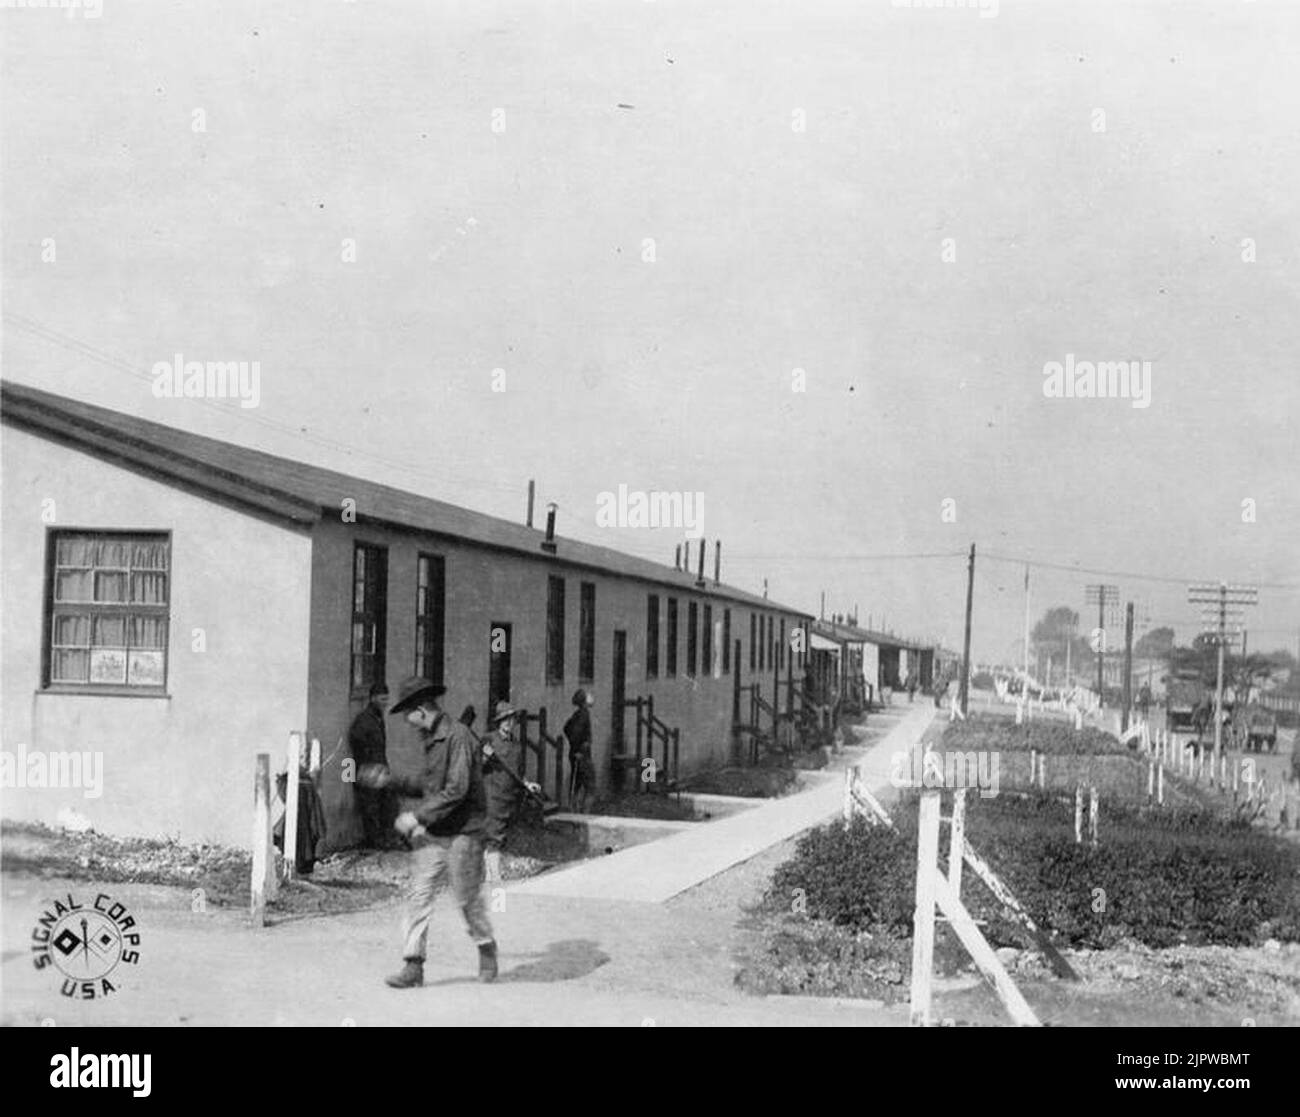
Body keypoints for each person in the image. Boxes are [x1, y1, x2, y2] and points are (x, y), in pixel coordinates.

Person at [382, 676, 496, 989]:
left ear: (420, 710)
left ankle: (486, 946)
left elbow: (456, 790)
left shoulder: (459, 737)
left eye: (408, 714)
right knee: (419, 894)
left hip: (465, 833)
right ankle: (413, 966)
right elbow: (431, 786)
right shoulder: (432, 740)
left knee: (466, 898)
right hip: (435, 833)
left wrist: (415, 817)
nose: (408, 721)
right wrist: (393, 781)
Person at [348, 682, 397, 849]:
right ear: (373, 698)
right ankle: (374, 843)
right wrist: (360, 771)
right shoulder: (363, 720)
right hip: (368, 771)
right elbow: (356, 745)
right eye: (382, 699)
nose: (385, 703)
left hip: (380, 769)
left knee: (387, 805)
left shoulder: (378, 719)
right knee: (370, 808)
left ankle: (383, 840)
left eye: (387, 699)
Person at [482, 700, 524, 882]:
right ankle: (495, 878)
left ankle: (489, 877)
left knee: (498, 838)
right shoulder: (489, 740)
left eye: (511, 719)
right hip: (492, 796)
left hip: (508, 798)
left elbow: (518, 773)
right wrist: (485, 756)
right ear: (498, 722)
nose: (509, 723)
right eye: (505, 720)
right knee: (494, 837)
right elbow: (476, 767)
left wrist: (527, 783)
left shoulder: (516, 745)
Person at [563, 688, 596, 813]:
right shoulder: (583, 714)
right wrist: (578, 749)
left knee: (577, 784)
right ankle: (583, 814)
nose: (591, 697)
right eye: (588, 695)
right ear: (584, 701)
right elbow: (573, 732)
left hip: (577, 754)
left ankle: (575, 811)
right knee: (590, 787)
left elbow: (566, 728)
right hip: (582, 755)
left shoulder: (578, 714)